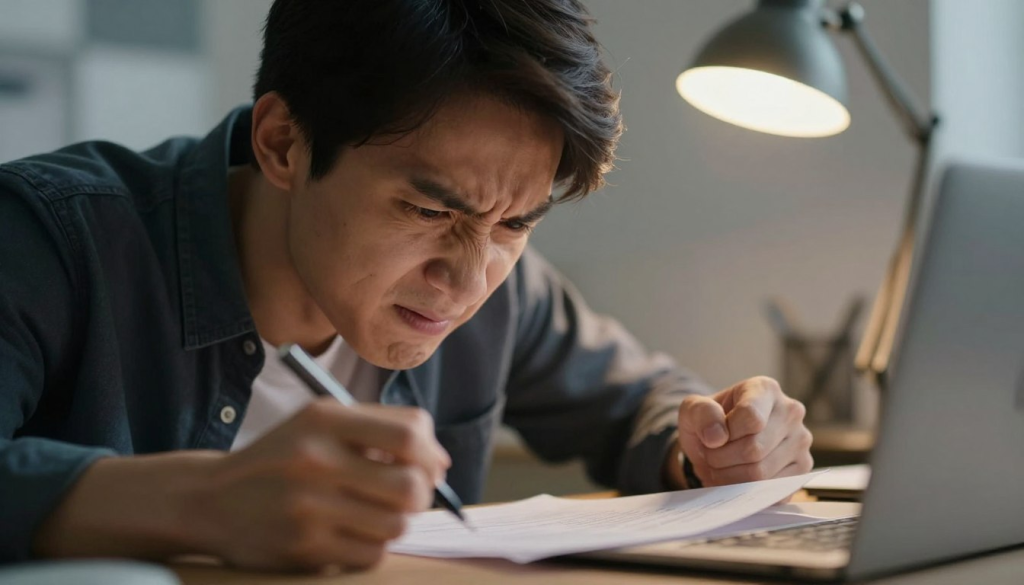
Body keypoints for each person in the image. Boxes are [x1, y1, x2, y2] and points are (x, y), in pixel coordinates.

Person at [0, 0, 812, 572]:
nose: (467, 280)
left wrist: (716, 445)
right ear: (283, 143)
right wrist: (202, 501)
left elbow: (644, 401)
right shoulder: (48, 237)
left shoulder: (506, 289)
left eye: (515, 223)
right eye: (428, 210)